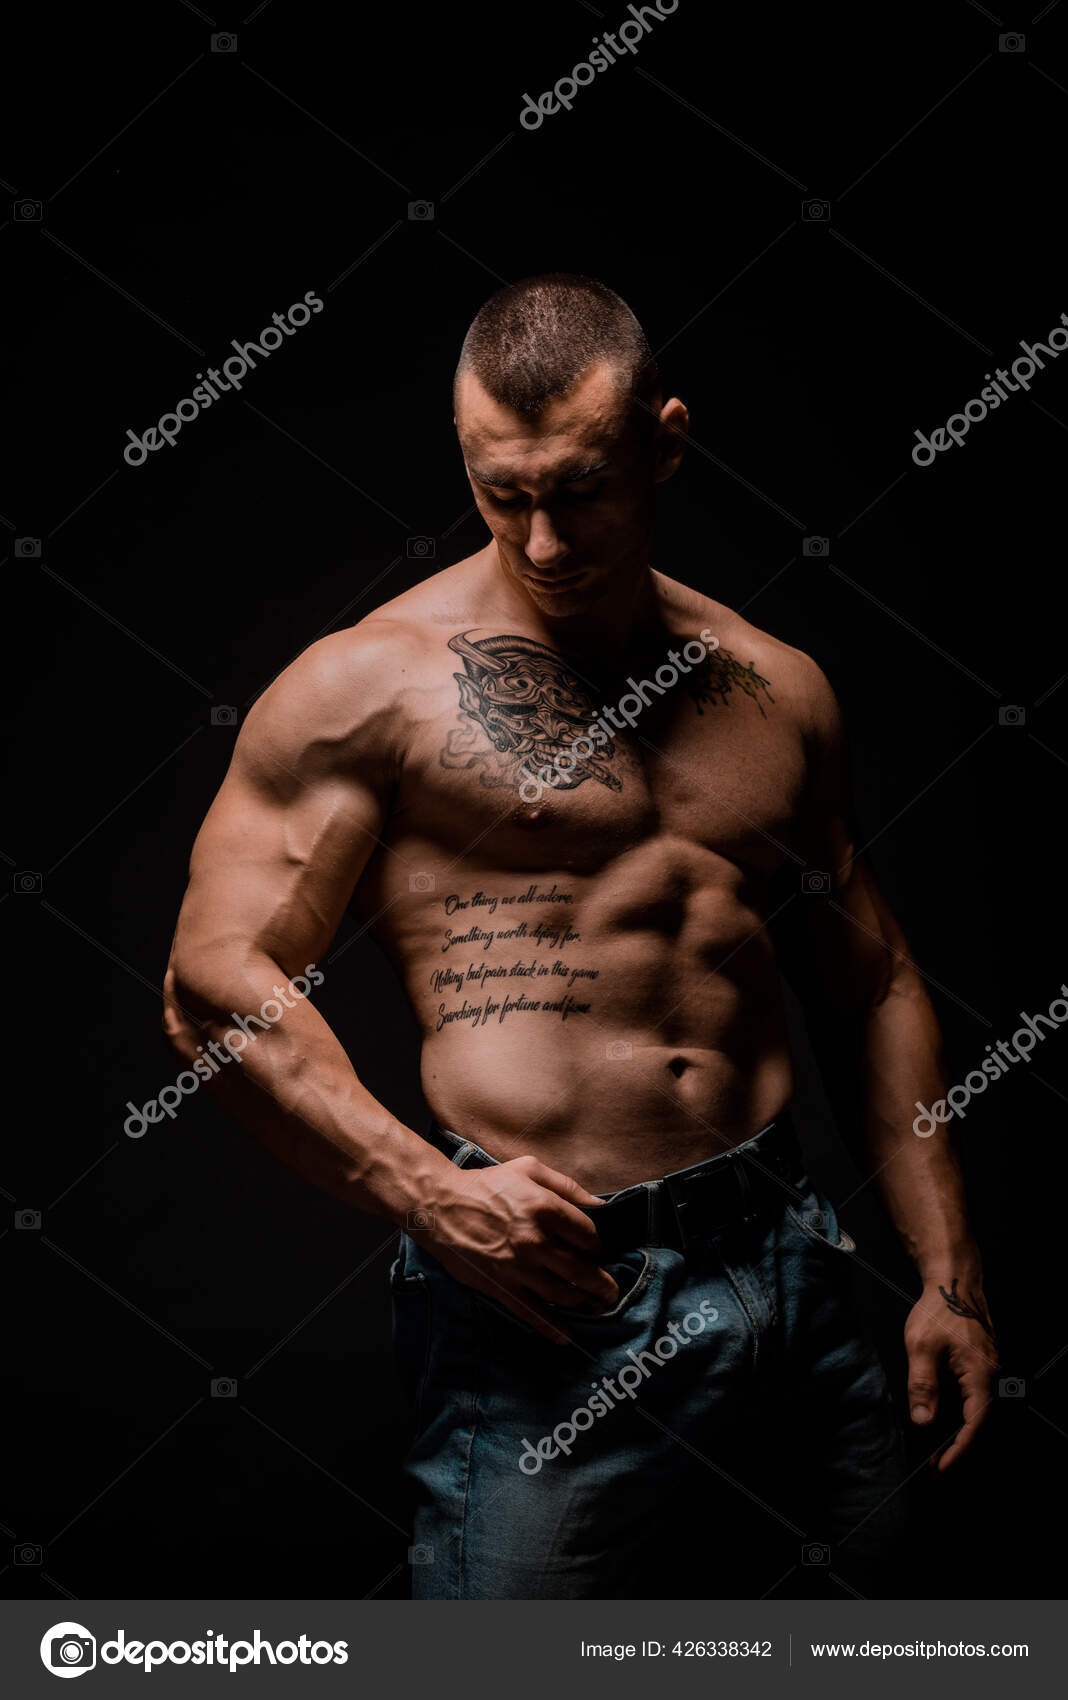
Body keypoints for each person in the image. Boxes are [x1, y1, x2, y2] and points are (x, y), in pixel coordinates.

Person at [164, 273, 998, 1599]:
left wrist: (945, 1278)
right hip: (557, 1296)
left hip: (798, 1269)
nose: (545, 542)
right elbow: (212, 987)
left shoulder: (778, 690)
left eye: (580, 489)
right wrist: (425, 1193)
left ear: (665, 440)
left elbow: (872, 977)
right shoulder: (368, 688)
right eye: (505, 494)